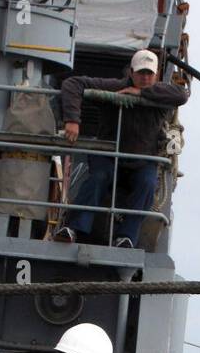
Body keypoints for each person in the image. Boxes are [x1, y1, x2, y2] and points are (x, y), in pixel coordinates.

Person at [54, 48, 188, 249]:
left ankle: (126, 237)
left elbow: (182, 95)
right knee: (99, 177)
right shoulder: (115, 87)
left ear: (156, 75)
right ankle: (73, 228)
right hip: (109, 155)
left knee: (148, 184)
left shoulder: (161, 95)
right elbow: (73, 83)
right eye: (141, 73)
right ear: (131, 72)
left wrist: (142, 93)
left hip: (142, 160)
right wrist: (72, 120)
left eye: (149, 73)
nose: (144, 77)